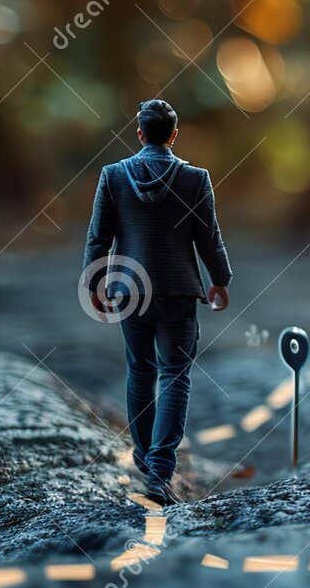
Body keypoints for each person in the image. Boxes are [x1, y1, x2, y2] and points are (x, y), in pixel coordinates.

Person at [82, 99, 231, 505]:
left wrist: (95, 283)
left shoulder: (113, 176)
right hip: (179, 290)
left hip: (130, 290)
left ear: (140, 133)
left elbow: (100, 237)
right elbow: (209, 237)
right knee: (175, 374)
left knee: (140, 370)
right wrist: (220, 279)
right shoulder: (195, 179)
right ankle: (162, 468)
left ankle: (146, 460)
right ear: (174, 135)